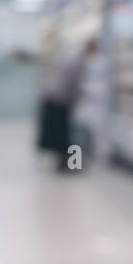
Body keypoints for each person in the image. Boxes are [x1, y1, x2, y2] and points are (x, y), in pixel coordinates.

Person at [37, 39, 97, 171]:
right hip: (59, 101)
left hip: (56, 99)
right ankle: (64, 163)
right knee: (60, 136)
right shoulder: (79, 62)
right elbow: (75, 85)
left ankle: (64, 162)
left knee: (60, 136)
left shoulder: (74, 58)